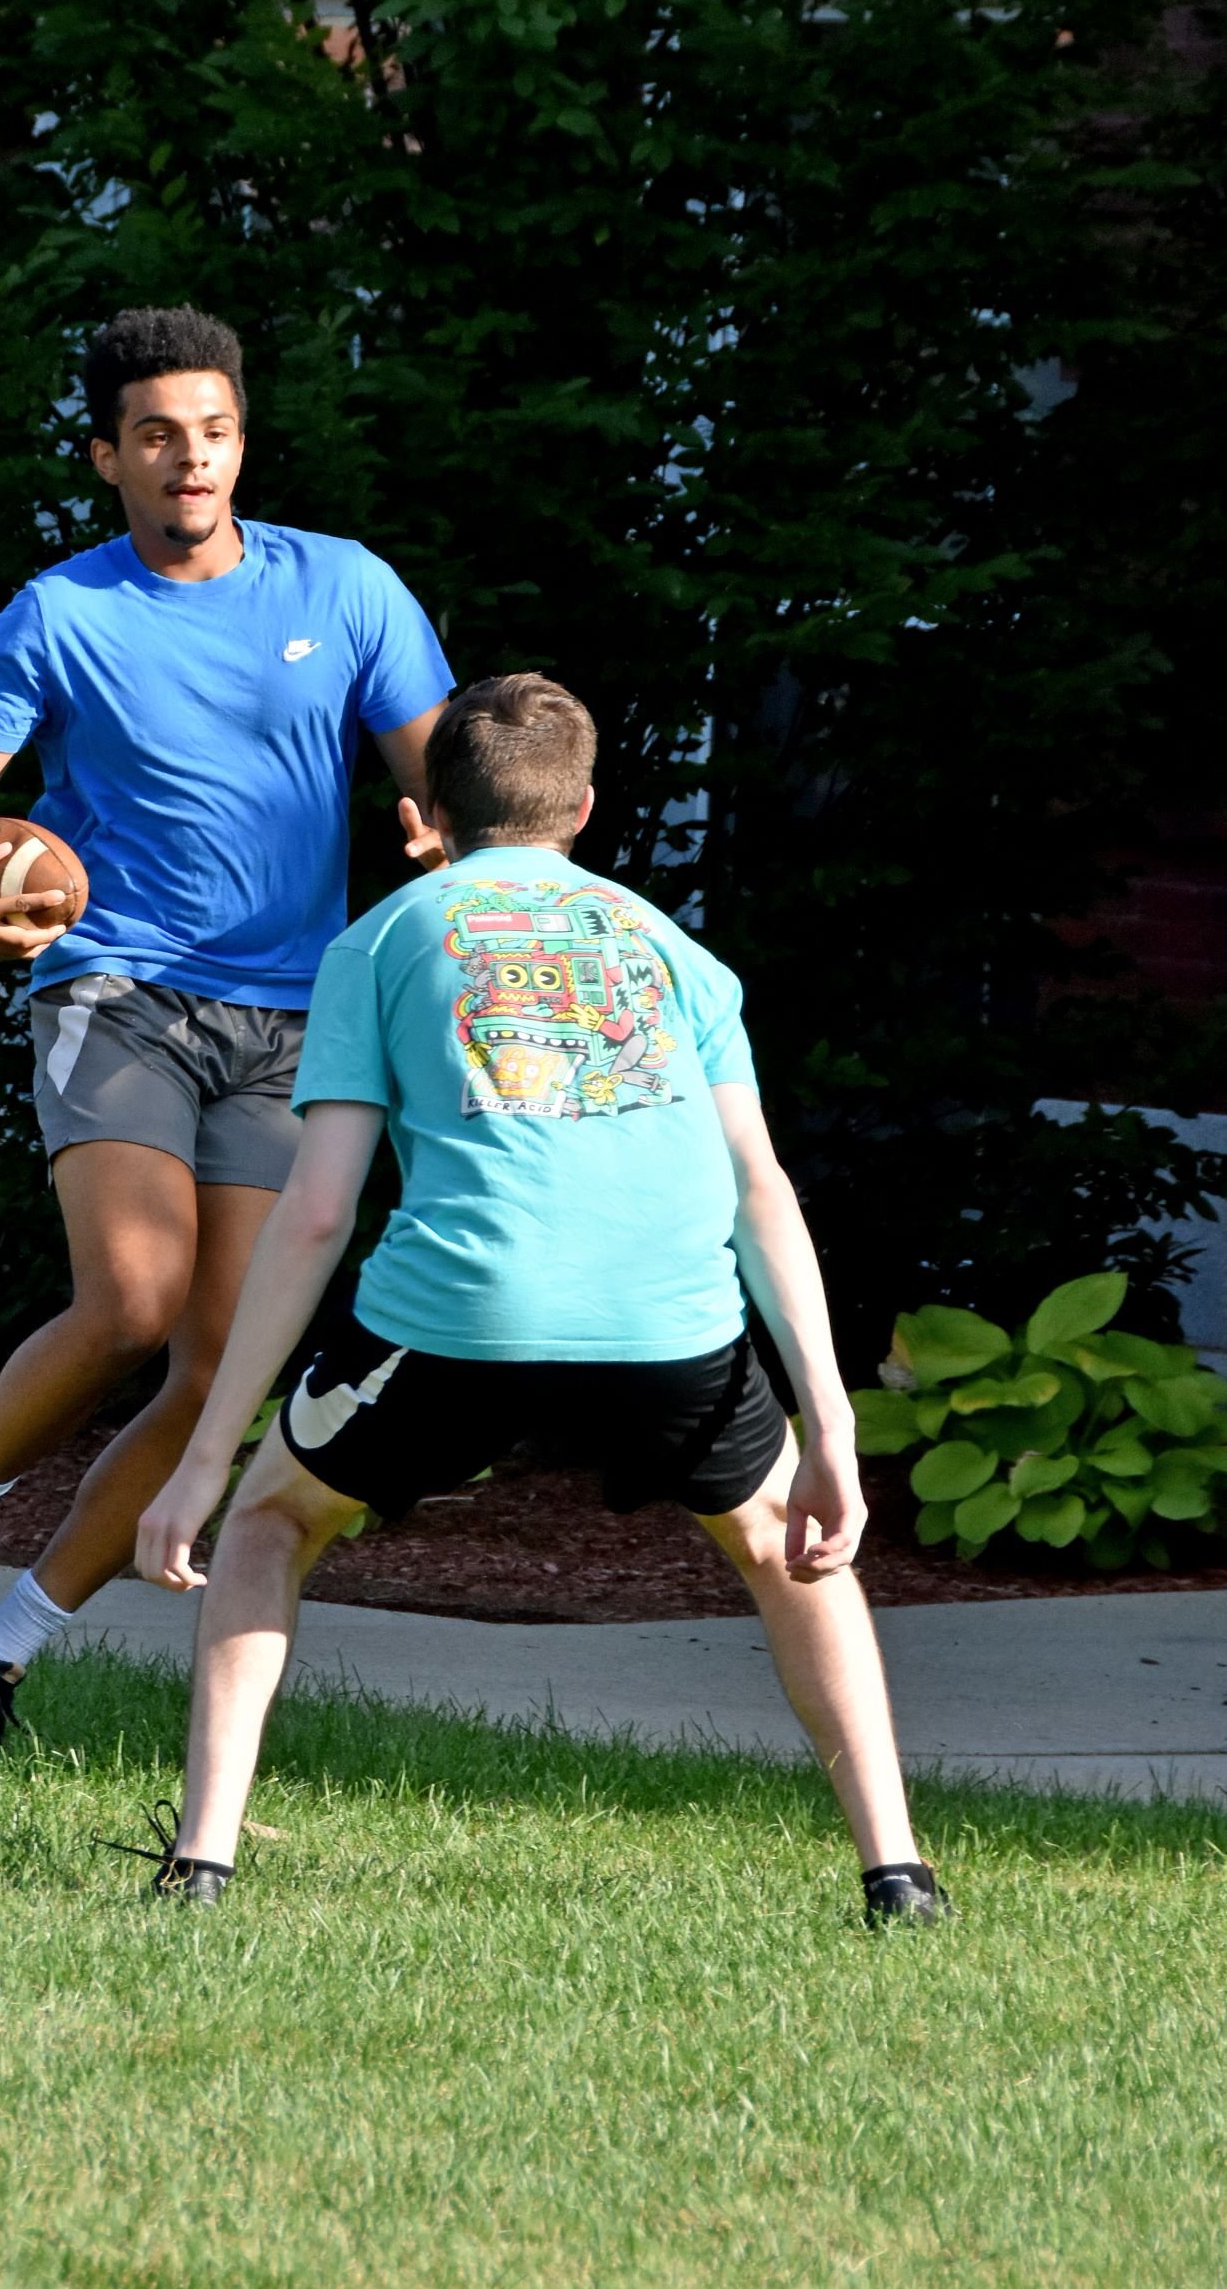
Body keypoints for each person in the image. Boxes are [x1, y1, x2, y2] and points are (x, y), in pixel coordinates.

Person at [128, 672, 951, 1928]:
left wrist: (201, 1460)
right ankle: (897, 1873)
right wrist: (829, 1426)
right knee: (794, 1555)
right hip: (671, 1321)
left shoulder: (383, 942)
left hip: (455, 1316)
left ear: (429, 811)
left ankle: (202, 1862)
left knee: (265, 1525)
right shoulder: (674, 949)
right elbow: (758, 1190)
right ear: (580, 810)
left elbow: (315, 1212)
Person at [0, 305, 453, 1738]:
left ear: (243, 445)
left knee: (228, 1364)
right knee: (130, 1297)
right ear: (109, 454)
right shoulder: (64, 613)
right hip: (113, 987)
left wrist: (448, 835)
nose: (192, 459)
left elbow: (439, 768)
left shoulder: (347, 591)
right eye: (160, 436)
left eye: (216, 432)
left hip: (292, 1019)